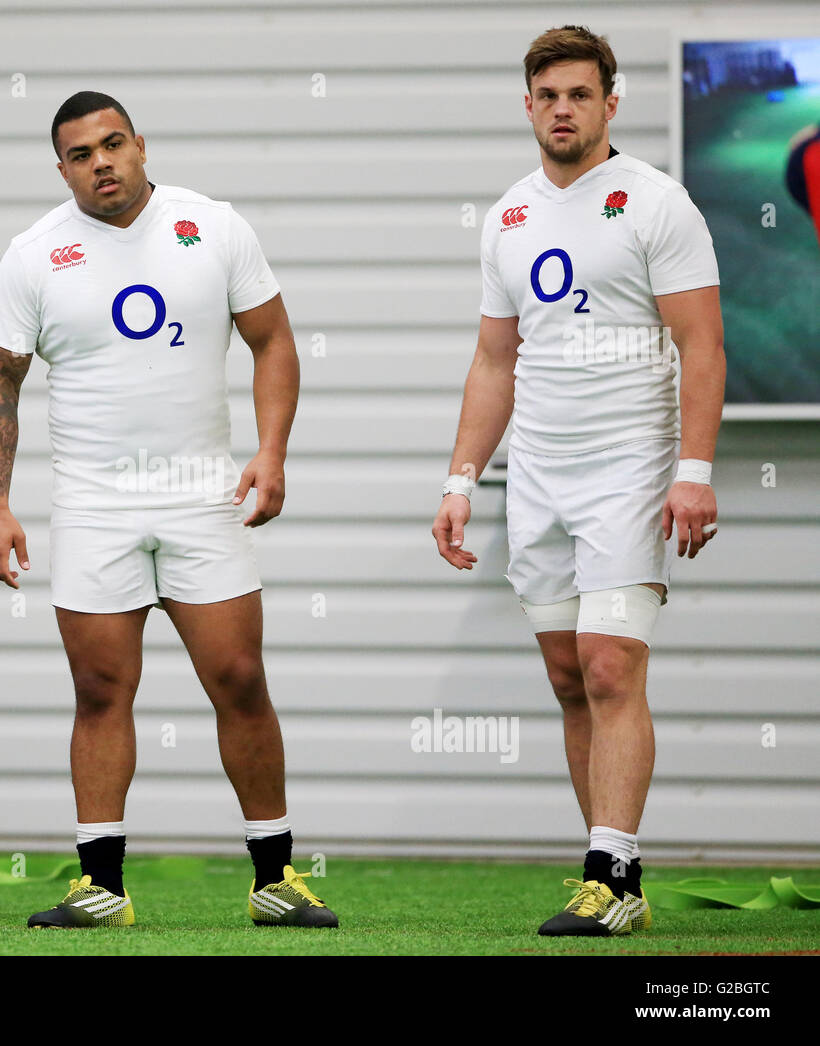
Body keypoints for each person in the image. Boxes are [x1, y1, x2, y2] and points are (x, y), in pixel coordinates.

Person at [0, 91, 337, 929]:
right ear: (61, 168)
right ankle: (100, 886)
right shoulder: (34, 255)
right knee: (99, 690)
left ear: (140, 144)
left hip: (202, 498)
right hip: (94, 505)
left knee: (239, 679)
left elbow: (273, 340)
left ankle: (276, 879)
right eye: (80, 154)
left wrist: (272, 451)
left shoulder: (213, 226)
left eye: (112, 144)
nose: (100, 163)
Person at [431, 26, 724, 936]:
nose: (563, 110)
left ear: (610, 102)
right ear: (529, 106)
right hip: (539, 476)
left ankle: (614, 875)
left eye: (580, 95)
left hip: (631, 468)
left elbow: (703, 344)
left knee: (609, 663)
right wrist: (460, 480)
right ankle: (607, 871)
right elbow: (495, 361)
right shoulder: (507, 217)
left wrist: (694, 471)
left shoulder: (656, 202)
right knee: (568, 677)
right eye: (549, 96)